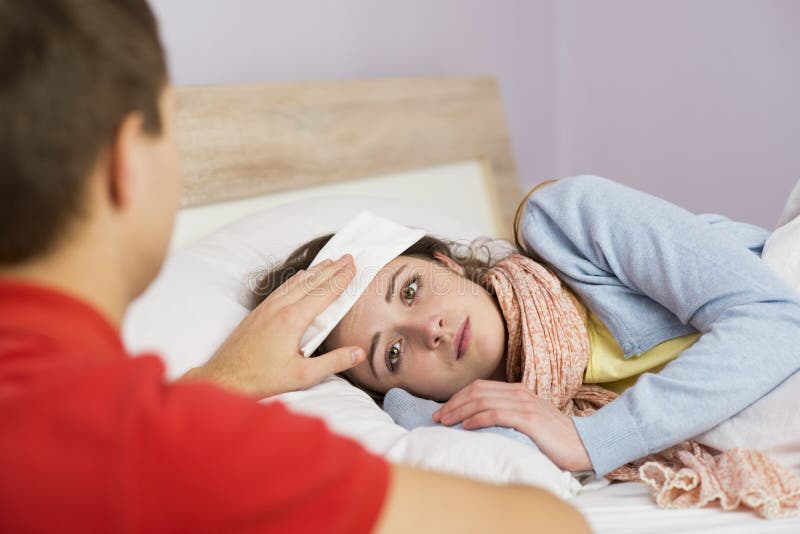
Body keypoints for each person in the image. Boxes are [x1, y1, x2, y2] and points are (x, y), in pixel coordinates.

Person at [0, 1, 592, 533]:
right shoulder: (198, 454)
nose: (429, 328)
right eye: (169, 132)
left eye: (411, 288)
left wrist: (222, 380)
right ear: (127, 162)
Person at [254, 176, 800, 479]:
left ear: (445, 262)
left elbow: (777, 317)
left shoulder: (570, 219)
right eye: (392, 354)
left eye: (411, 290)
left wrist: (594, 441)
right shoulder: (507, 414)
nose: (429, 330)